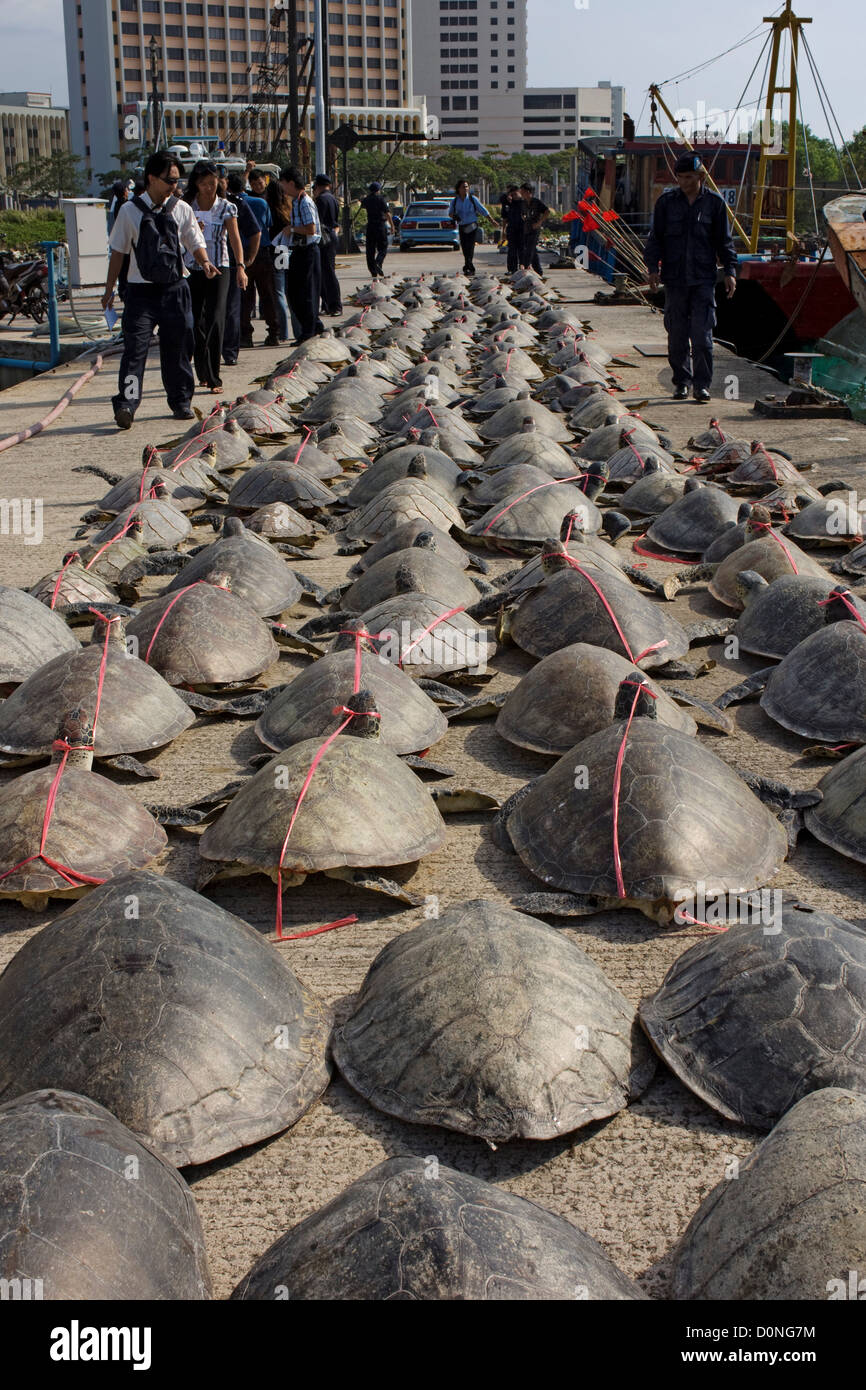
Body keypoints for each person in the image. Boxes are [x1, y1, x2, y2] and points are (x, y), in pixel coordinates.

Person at [102, 150, 217, 429]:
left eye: (177, 181)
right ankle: (127, 404)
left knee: (179, 347)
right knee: (135, 350)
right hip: (141, 293)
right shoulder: (129, 211)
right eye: (168, 180)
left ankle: (181, 402)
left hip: (176, 288)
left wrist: (205, 262)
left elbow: (193, 240)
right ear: (151, 178)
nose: (174, 186)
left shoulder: (181, 208)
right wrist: (109, 290)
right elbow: (117, 253)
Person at [644, 151, 737, 402]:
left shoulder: (715, 204)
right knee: (676, 335)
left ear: (700, 176)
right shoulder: (666, 203)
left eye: (689, 177)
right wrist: (652, 268)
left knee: (702, 337)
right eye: (681, 177)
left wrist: (730, 271)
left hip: (703, 280)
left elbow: (724, 242)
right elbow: (656, 239)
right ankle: (681, 382)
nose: (684, 182)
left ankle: (702, 385)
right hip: (674, 280)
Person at [183, 159, 247, 392]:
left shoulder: (227, 207)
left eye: (212, 183)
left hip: (220, 267)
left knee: (216, 318)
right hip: (192, 267)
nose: (208, 188)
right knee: (195, 321)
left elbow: (235, 238)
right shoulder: (186, 206)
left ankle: (214, 376)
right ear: (196, 184)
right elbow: (177, 235)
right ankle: (202, 371)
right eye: (203, 183)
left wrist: (240, 266)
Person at [274, 166, 324, 344]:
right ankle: (312, 326)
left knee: (306, 293)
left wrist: (292, 229)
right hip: (298, 250)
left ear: (291, 183)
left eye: (284, 184)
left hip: (308, 251)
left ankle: (308, 331)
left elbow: (311, 229)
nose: (283, 188)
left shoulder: (305, 202)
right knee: (295, 293)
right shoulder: (296, 201)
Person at [223, 172, 261, 366]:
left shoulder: (234, 205)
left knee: (231, 309)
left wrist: (247, 260)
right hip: (199, 266)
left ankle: (229, 351)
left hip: (229, 264)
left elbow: (254, 232)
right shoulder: (191, 203)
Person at [240, 169, 281, 348]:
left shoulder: (235, 203)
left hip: (244, 253)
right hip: (263, 251)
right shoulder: (263, 203)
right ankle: (274, 333)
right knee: (268, 295)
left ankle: (246, 336)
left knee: (246, 298)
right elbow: (269, 224)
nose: (258, 185)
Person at [258, 169, 294, 343]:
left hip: (276, 251)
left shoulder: (270, 209)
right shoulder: (288, 208)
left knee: (277, 292)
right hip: (286, 250)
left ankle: (282, 331)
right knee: (288, 291)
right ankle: (296, 329)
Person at [313, 174, 342, 315]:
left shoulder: (321, 200)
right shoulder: (334, 200)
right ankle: (328, 305)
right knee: (327, 272)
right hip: (331, 235)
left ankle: (334, 305)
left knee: (327, 274)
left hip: (324, 237)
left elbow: (318, 222)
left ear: (317, 186)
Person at [449, 178, 490, 276]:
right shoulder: (455, 201)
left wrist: (491, 220)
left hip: (472, 226)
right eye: (463, 187)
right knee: (464, 247)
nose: (465, 189)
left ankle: (469, 267)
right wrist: (455, 216)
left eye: (467, 187)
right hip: (462, 226)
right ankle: (468, 265)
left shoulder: (473, 199)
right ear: (458, 189)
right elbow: (450, 213)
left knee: (470, 247)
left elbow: (483, 210)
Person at [360, 181, 393, 281]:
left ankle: (373, 271)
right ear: (378, 190)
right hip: (380, 225)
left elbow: (362, 207)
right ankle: (378, 262)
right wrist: (392, 226)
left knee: (370, 249)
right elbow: (387, 213)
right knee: (383, 247)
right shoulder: (381, 199)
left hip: (370, 226)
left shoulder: (366, 200)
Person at [520, 183, 549, 274]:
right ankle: (538, 271)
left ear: (528, 192)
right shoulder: (523, 202)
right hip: (527, 228)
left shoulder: (536, 202)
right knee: (533, 250)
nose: (521, 193)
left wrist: (539, 222)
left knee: (529, 249)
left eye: (522, 191)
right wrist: (523, 217)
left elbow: (547, 211)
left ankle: (525, 267)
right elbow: (522, 213)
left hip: (535, 228)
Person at [500, 184, 524, 273]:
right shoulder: (507, 203)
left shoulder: (523, 202)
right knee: (512, 250)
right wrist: (503, 231)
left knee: (522, 250)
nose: (513, 196)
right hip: (512, 229)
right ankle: (512, 269)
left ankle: (523, 267)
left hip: (522, 229)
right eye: (511, 194)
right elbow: (505, 218)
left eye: (515, 194)